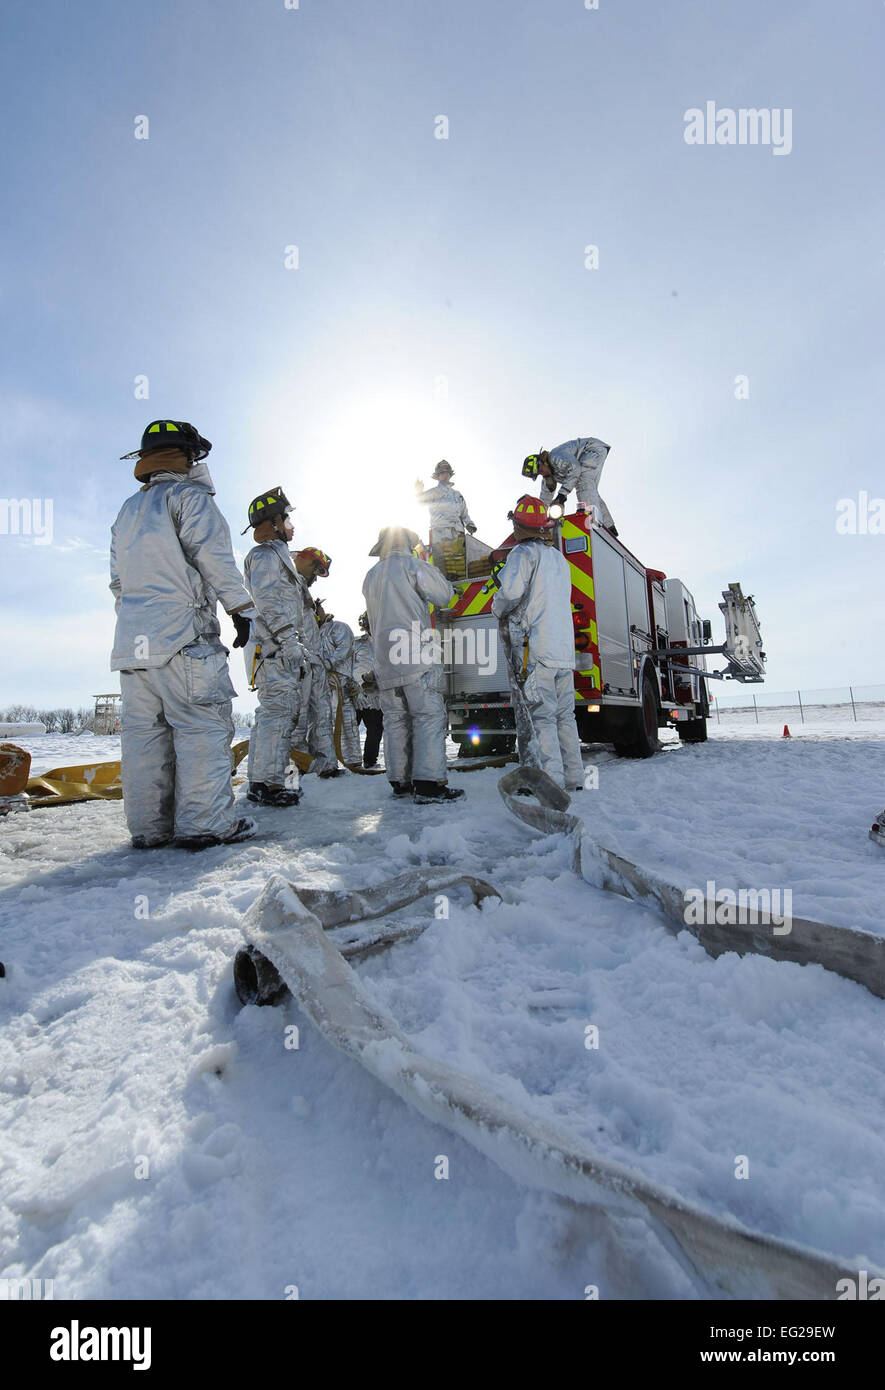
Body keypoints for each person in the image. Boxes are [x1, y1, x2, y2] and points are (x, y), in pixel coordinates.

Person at [110, 419, 255, 849]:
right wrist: (241, 609)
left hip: (133, 649)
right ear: (187, 456)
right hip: (185, 641)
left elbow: (118, 585)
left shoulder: (126, 512)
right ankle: (206, 825)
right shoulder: (189, 498)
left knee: (144, 740)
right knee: (201, 729)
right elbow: (216, 561)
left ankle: (149, 831)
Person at [362, 526, 464, 803]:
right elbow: (444, 596)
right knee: (428, 716)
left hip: (385, 661)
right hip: (416, 658)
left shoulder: (370, 577)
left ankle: (400, 781)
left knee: (395, 721)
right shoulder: (413, 566)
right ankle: (430, 784)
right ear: (409, 544)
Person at [491, 495, 585, 792]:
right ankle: (574, 778)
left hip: (538, 651)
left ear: (518, 526)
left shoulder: (522, 554)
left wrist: (497, 607)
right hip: (563, 652)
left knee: (542, 717)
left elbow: (509, 594)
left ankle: (550, 783)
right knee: (565, 717)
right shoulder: (558, 559)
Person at [241, 487, 308, 807]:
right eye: (287, 518)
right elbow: (268, 603)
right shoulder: (264, 556)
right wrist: (288, 639)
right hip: (274, 649)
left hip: (278, 648)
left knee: (276, 716)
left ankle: (264, 781)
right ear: (275, 522)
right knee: (275, 716)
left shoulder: (277, 556)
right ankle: (267, 785)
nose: (292, 524)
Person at [289, 547, 341, 777]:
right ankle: (296, 768)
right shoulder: (286, 584)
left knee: (322, 717)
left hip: (314, 663)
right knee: (297, 719)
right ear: (300, 559)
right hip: (298, 662)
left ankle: (325, 766)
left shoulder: (302, 589)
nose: (314, 577)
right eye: (314, 569)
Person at [522, 438, 617, 534]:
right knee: (588, 488)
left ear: (542, 462)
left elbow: (575, 468)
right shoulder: (548, 477)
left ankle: (594, 524)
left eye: (540, 470)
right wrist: (535, 511)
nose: (541, 474)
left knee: (583, 484)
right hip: (591, 453)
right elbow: (544, 501)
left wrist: (562, 495)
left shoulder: (555, 457)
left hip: (591, 449)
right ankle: (608, 527)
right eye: (538, 474)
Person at [318, 610, 362, 766]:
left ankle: (353, 761)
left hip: (339, 684)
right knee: (321, 725)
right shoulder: (308, 635)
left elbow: (345, 648)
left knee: (346, 722)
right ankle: (328, 764)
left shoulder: (337, 628)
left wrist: (328, 664)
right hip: (319, 687)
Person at [415, 460, 476, 558]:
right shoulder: (433, 493)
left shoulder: (457, 495)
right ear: (438, 476)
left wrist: (469, 524)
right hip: (440, 534)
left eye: (447, 472)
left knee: (458, 564)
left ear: (450, 474)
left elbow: (464, 514)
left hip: (458, 534)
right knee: (442, 565)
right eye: (442, 473)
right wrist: (418, 491)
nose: (445, 475)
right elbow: (420, 500)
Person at [352, 611, 384, 769]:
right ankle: (349, 760)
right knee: (350, 729)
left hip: (375, 696)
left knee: (375, 729)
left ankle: (370, 760)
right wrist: (360, 681)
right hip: (356, 694)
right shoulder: (356, 643)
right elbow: (347, 666)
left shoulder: (387, 644)